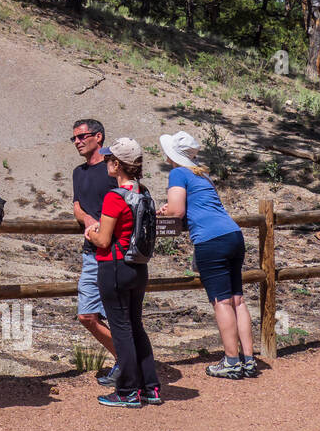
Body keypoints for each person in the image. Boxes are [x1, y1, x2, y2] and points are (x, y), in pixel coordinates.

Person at [158, 130, 257, 379]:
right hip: (232, 235)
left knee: (221, 301)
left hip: (211, 240)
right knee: (238, 300)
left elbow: (178, 211)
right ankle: (248, 359)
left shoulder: (178, 173)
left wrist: (164, 211)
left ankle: (232, 361)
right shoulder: (203, 175)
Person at [84, 137, 160, 407]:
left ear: (118, 164)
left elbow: (104, 240)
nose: (105, 162)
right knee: (136, 325)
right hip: (138, 267)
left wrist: (90, 233)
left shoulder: (114, 197)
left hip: (114, 265)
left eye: (109, 159)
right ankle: (150, 387)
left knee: (121, 329)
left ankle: (127, 390)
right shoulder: (144, 193)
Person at [71, 118, 120, 385]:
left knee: (118, 315)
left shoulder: (114, 167)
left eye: (82, 137)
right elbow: (77, 206)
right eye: (74, 139)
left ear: (98, 137)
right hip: (91, 253)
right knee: (87, 315)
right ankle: (127, 359)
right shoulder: (79, 172)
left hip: (117, 254)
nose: (77, 142)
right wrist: (89, 220)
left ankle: (128, 365)